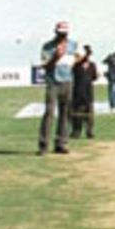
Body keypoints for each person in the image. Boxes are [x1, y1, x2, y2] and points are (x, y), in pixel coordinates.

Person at [37, 19, 77, 154]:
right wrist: (55, 57)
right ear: (55, 32)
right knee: (49, 113)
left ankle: (61, 143)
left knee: (65, 113)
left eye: (65, 34)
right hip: (53, 82)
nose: (63, 36)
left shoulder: (73, 45)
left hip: (68, 81)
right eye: (60, 33)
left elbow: (74, 59)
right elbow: (45, 65)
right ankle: (43, 145)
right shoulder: (47, 46)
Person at [71, 45, 98, 139]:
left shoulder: (92, 65)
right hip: (78, 93)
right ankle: (76, 131)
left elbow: (94, 77)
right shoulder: (75, 65)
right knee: (77, 114)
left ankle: (89, 131)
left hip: (88, 92)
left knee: (89, 114)